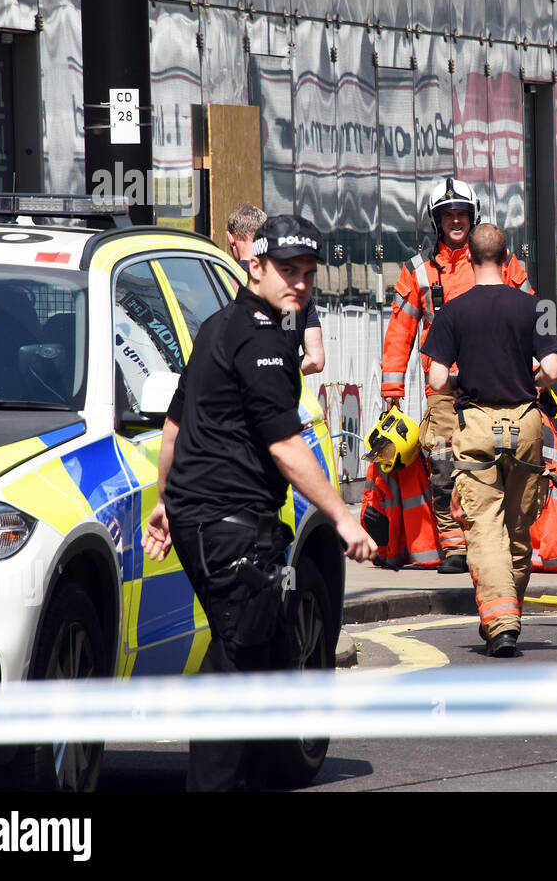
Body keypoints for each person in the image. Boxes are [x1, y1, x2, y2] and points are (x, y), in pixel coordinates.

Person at [142, 213, 376, 791]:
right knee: (240, 655)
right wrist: (343, 516)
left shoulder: (218, 326)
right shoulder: (263, 338)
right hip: (229, 523)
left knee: (268, 648)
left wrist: (165, 501)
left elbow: (177, 426)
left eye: (307, 273)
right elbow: (284, 445)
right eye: (286, 270)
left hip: (207, 515)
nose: (298, 283)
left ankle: (255, 776)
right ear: (256, 266)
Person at [421, 223, 557, 657]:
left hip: (477, 426)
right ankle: (508, 610)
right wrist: (528, 381)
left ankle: (501, 622)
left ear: (471, 258)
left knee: (485, 529)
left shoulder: (454, 311)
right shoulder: (536, 306)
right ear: (507, 259)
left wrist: (467, 381)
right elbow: (552, 370)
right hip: (526, 424)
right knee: (519, 529)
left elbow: (436, 377)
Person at [381, 177, 532, 574]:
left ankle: (495, 539)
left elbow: (529, 312)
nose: (455, 221)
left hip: (495, 383)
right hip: (445, 387)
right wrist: (392, 387)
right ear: (437, 221)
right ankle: (453, 547)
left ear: (472, 217)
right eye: (447, 215)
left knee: (498, 462)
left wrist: (534, 368)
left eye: (461, 214)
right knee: (444, 461)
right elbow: (401, 330)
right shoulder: (418, 272)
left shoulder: (498, 260)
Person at [227, 203, 325, 376]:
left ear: (230, 239)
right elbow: (316, 360)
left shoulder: (226, 278)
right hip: (288, 395)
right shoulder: (298, 290)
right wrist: (281, 371)